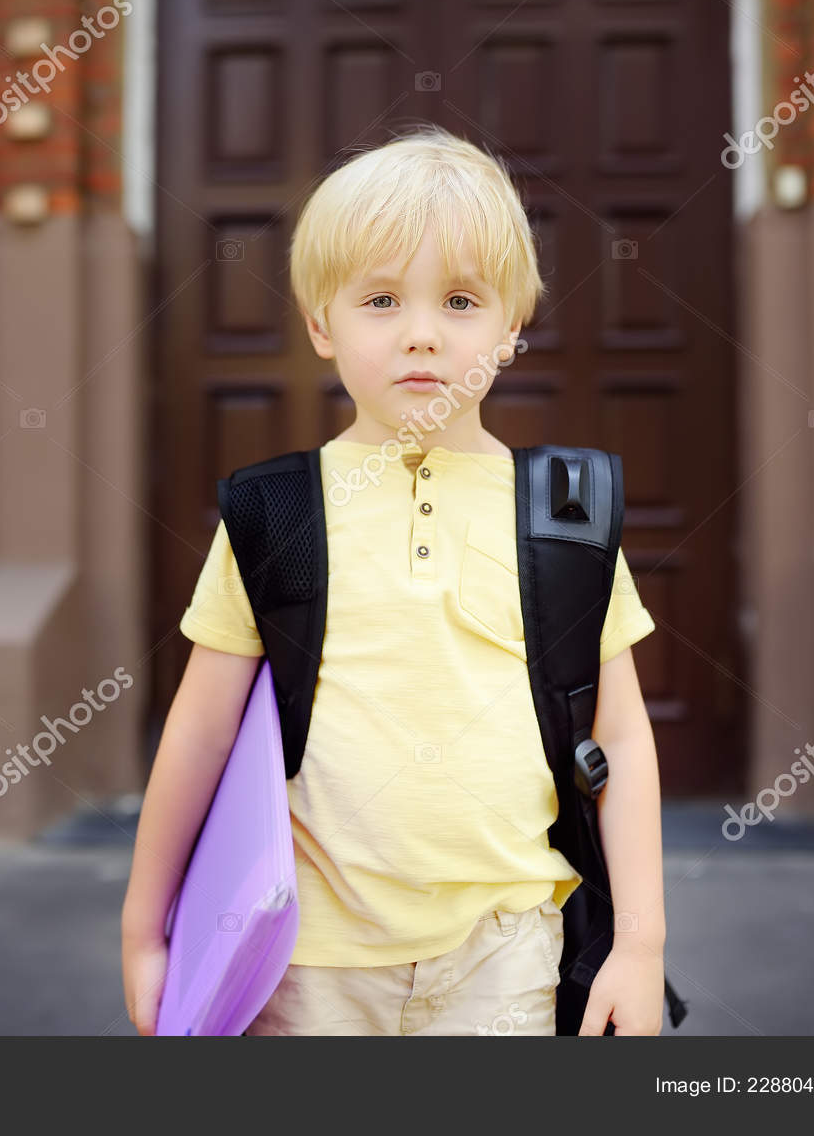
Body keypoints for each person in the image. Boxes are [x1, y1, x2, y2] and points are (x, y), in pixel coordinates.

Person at [122, 124, 668, 1036]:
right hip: (304, 962)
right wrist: (148, 928)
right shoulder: (279, 515)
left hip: (509, 955)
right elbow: (199, 731)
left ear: (511, 329)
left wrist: (639, 946)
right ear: (321, 325)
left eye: (460, 301)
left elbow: (623, 740)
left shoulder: (564, 517)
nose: (421, 335)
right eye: (381, 299)